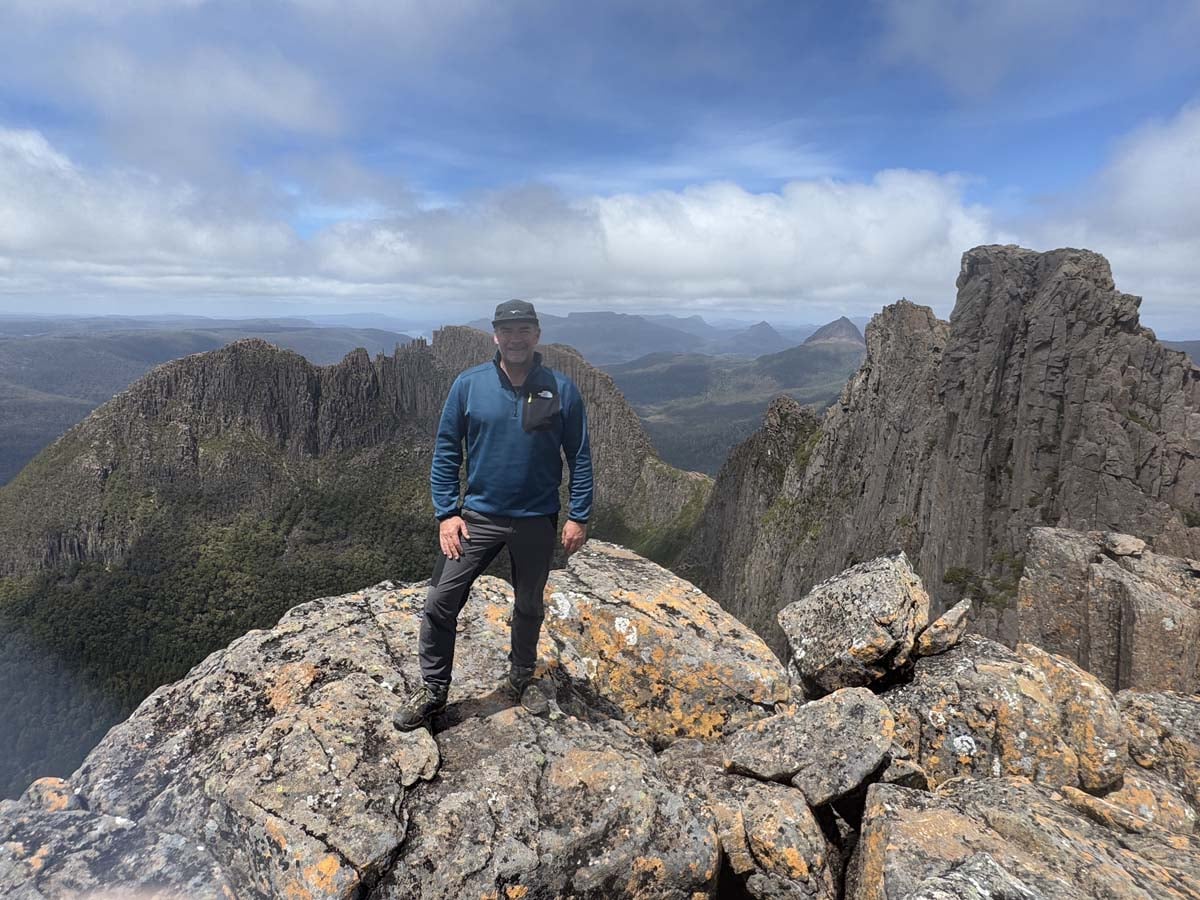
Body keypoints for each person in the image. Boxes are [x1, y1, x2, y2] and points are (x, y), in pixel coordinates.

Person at [394, 299, 594, 731]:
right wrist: (446, 514)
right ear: (495, 336)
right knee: (440, 601)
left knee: (528, 605)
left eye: (524, 330)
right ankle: (433, 691)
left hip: (537, 518)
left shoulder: (562, 389)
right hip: (478, 517)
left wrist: (579, 515)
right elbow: (447, 450)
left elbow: (579, 455)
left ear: (537, 335)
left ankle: (521, 675)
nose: (515, 338)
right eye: (507, 330)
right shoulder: (469, 385)